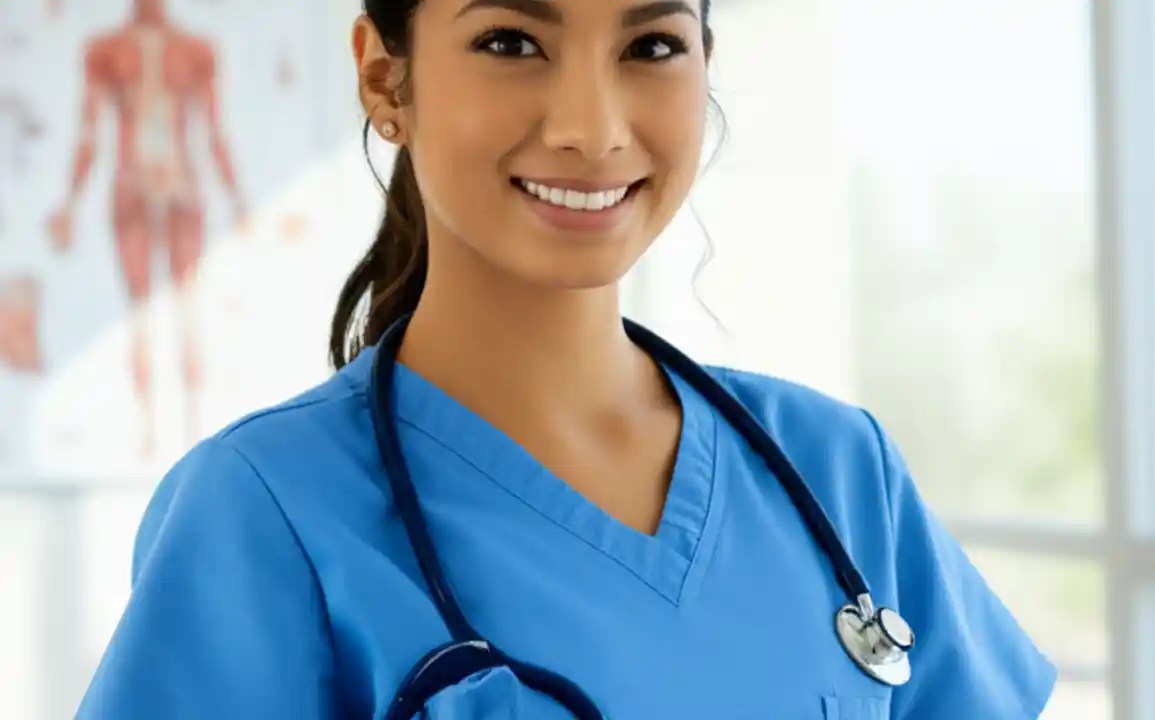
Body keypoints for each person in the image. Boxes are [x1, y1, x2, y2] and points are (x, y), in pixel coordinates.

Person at [76, 0, 1057, 717]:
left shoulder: (838, 469)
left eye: (650, 46)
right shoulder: (265, 512)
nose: (590, 128)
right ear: (385, 78)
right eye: (510, 42)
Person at [48, 0, 246, 457]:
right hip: (155, 183)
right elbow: (90, 134)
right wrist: (69, 207)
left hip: (153, 183)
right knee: (153, 309)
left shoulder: (182, 50)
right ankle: (154, 433)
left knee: (171, 307)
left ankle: (168, 432)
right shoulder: (118, 50)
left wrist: (70, 206)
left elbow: (213, 132)